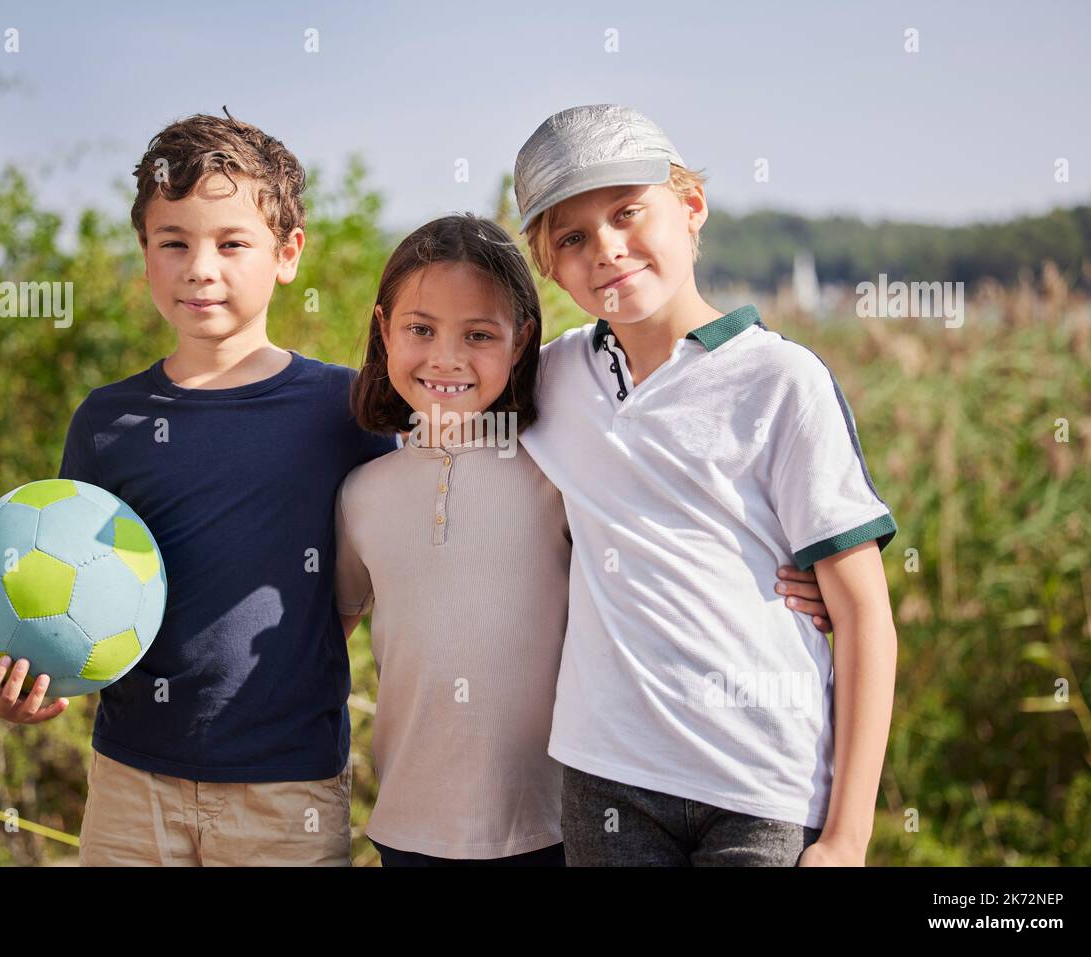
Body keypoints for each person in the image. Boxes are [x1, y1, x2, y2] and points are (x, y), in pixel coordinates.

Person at [0, 109, 395, 866]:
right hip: (131, 783)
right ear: (145, 255)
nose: (201, 267)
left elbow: (374, 577)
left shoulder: (346, 409)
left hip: (287, 788)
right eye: (174, 243)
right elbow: (64, 595)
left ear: (288, 253)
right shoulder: (106, 420)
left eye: (232, 243)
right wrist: (26, 681)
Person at [335, 213, 836, 866]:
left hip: (559, 824)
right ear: (383, 329)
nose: (446, 357)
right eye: (420, 329)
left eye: (479, 334)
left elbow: (672, 545)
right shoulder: (361, 496)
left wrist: (785, 578)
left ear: (520, 345)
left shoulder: (556, 469)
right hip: (408, 828)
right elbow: (322, 641)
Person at [514, 104, 900, 866]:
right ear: (550, 267)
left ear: (691, 209)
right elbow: (438, 406)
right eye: (572, 237)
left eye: (628, 213)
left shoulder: (780, 380)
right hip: (607, 780)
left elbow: (865, 617)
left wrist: (848, 837)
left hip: (760, 785)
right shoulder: (551, 378)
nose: (608, 249)